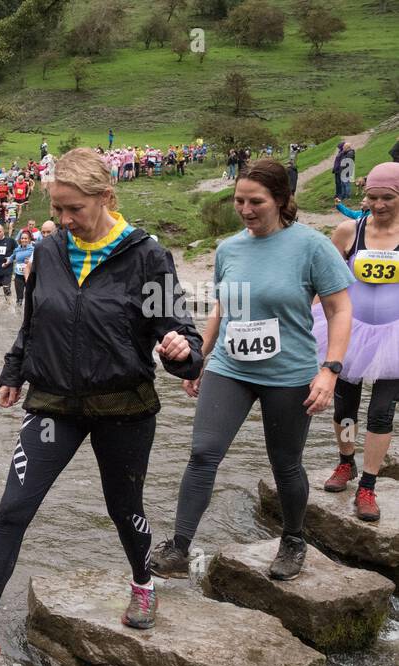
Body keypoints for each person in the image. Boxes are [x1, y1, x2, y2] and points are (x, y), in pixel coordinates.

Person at [0, 149, 204, 666]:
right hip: (53, 403)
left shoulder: (146, 255)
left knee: (125, 509)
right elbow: (33, 322)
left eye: (73, 209)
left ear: (105, 197)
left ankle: (143, 584)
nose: (63, 220)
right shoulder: (51, 251)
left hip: (123, 406)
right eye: (56, 209)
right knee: (13, 507)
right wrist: (14, 370)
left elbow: (177, 330)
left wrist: (185, 352)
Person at [149, 160, 354, 582]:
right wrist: (197, 358)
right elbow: (224, 309)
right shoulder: (229, 249)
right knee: (203, 453)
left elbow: (339, 309)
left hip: (289, 373)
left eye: (255, 201)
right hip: (230, 368)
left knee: (286, 464)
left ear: (281, 200)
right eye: (239, 200)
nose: (245, 208)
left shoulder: (312, 246)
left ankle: (293, 540)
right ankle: (180, 548)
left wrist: (330, 370)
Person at [314, 162, 399, 521]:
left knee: (381, 412)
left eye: (387, 198)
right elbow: (327, 282)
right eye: (372, 197)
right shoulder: (349, 231)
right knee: (344, 409)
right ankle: (346, 462)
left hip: (395, 337)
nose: (377, 205)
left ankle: (368, 485)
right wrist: (309, 317)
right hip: (351, 332)